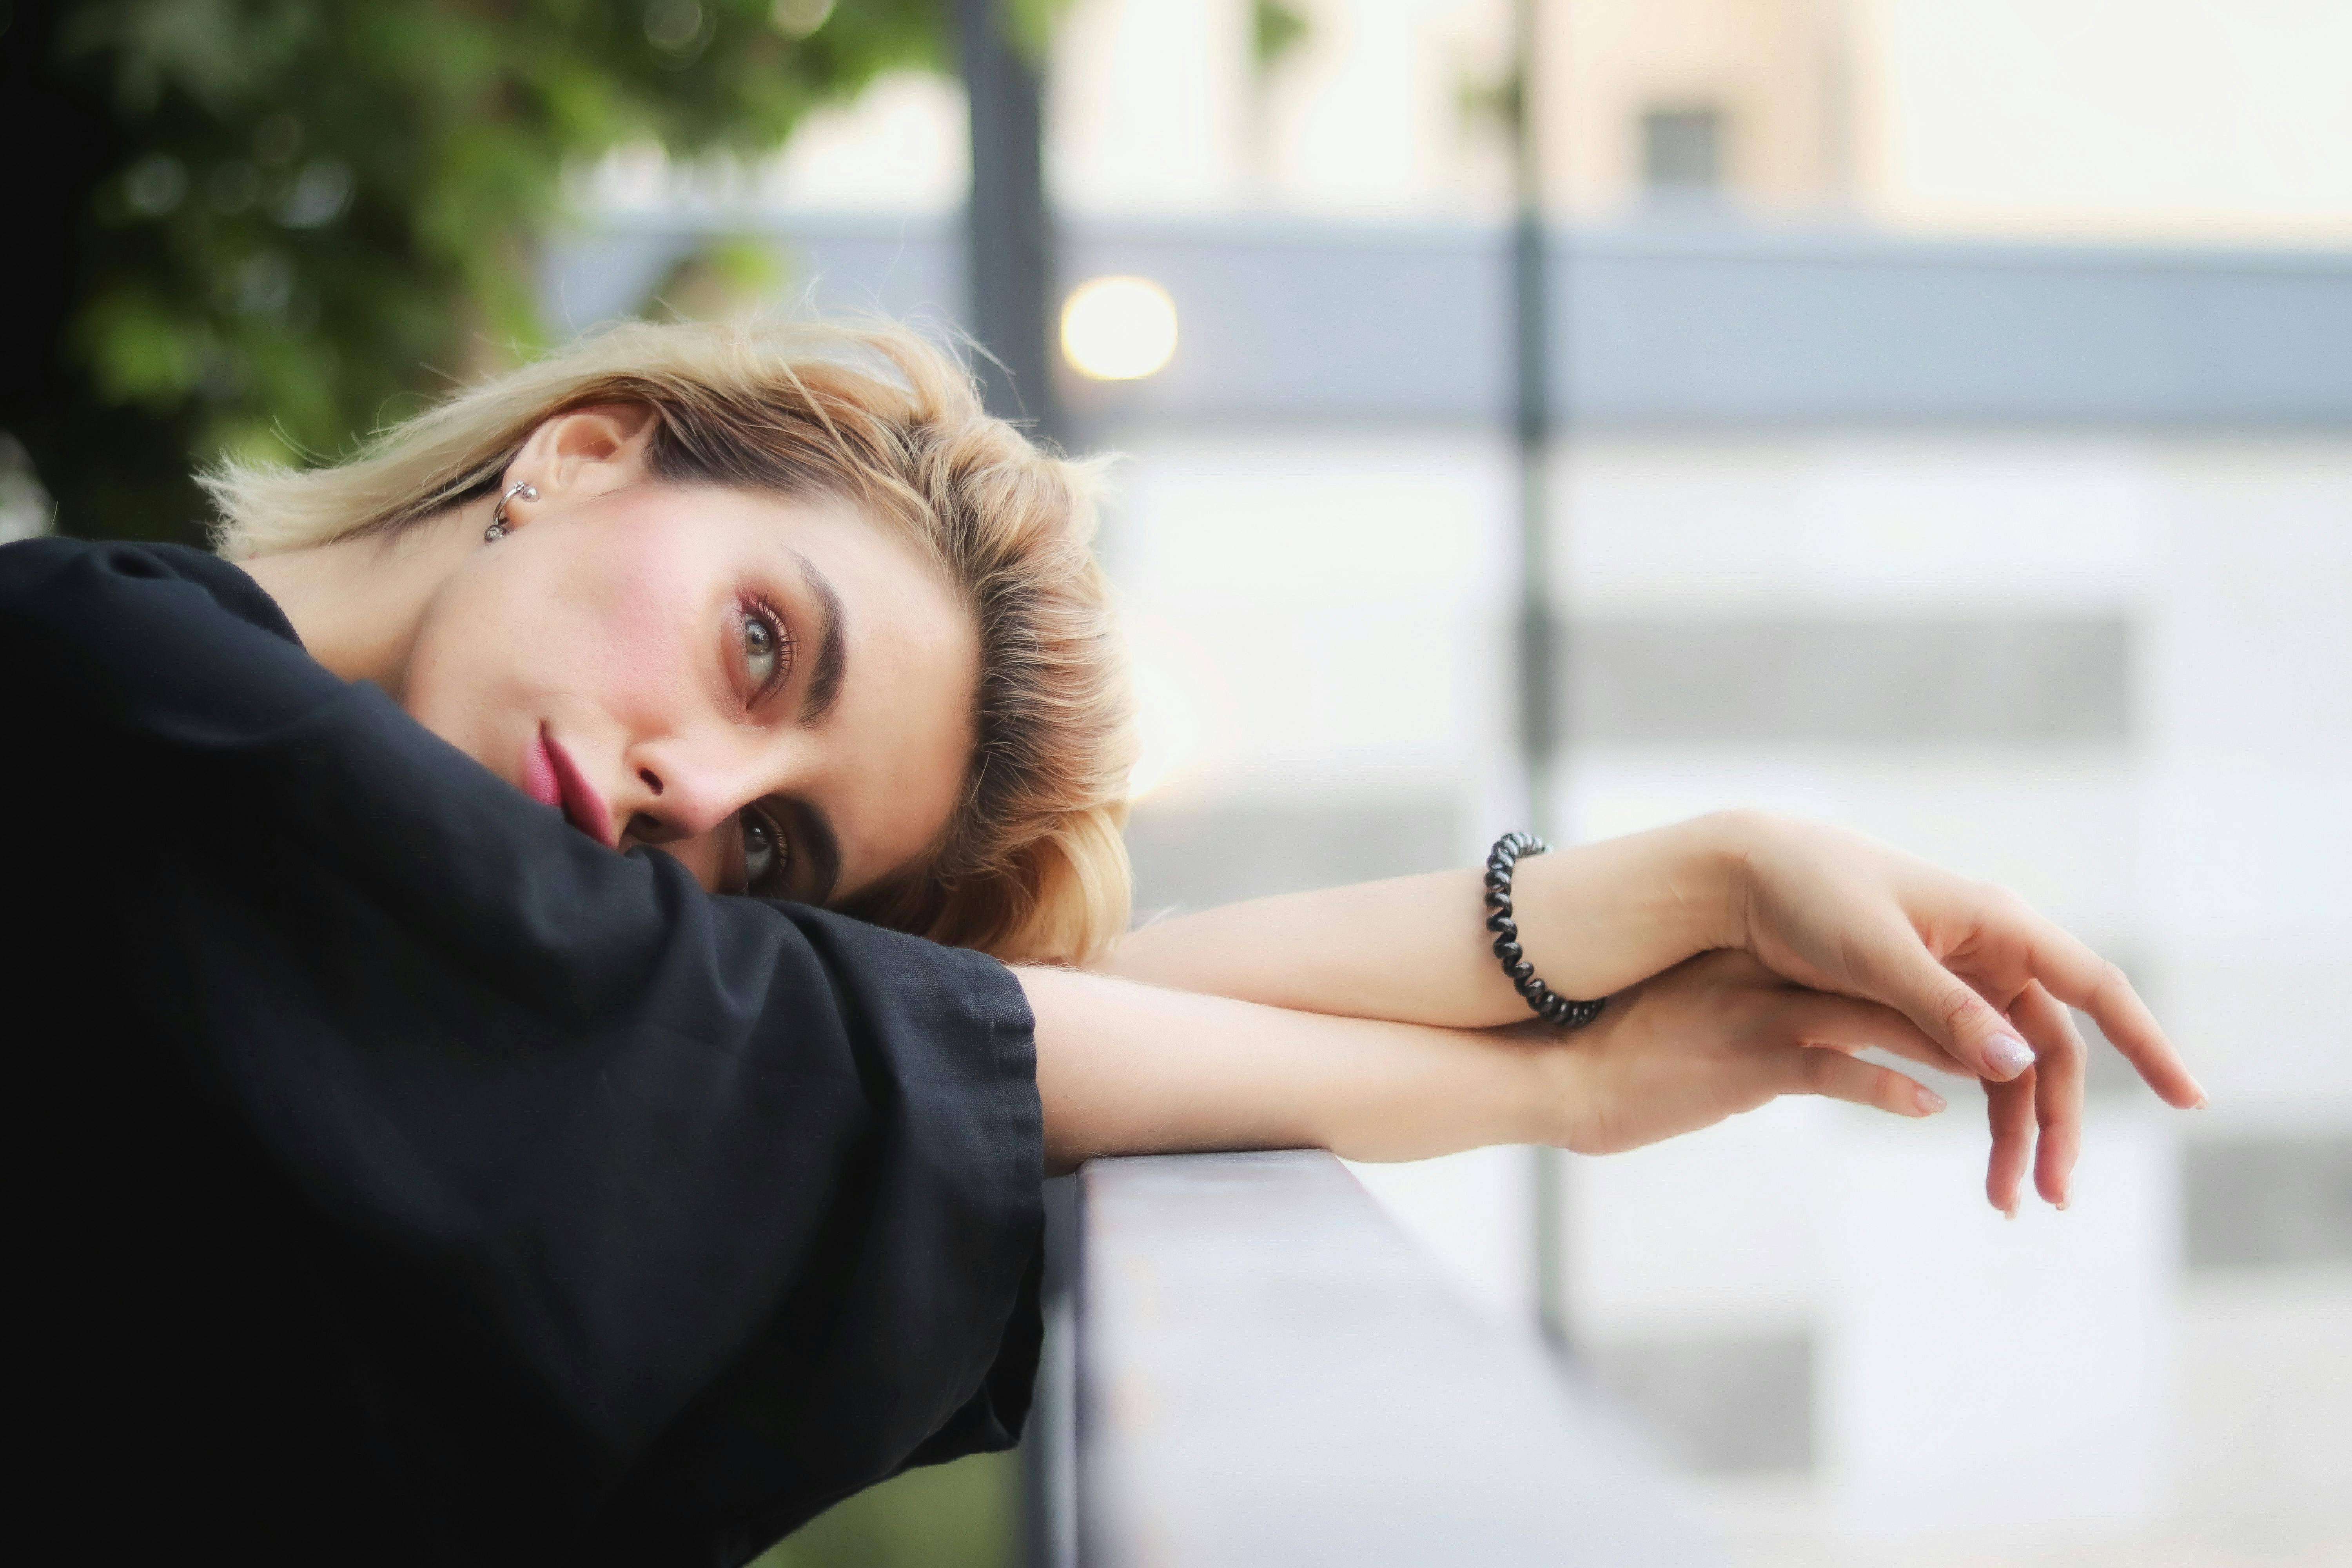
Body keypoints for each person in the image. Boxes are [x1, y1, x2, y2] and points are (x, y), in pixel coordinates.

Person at [2, 317, 2201, 1566]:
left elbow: (860, 1047)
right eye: (763, 645)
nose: (698, 800)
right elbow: (840, 1055)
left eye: (779, 857)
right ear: (582, 458)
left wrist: (1663, 922)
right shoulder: (106, 689)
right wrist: (1559, 1069)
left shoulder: (399, 950)